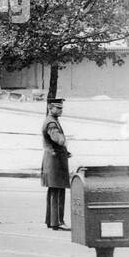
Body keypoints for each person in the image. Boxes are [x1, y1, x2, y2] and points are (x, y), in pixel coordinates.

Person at [41, 98, 71, 230]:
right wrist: (64, 141)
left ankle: (51, 221)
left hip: (54, 161)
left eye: (61, 108)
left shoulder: (52, 120)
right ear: (50, 107)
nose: (61, 110)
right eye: (58, 108)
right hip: (54, 162)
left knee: (54, 191)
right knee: (57, 192)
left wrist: (66, 151)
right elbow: (56, 138)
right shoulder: (51, 123)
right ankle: (57, 222)